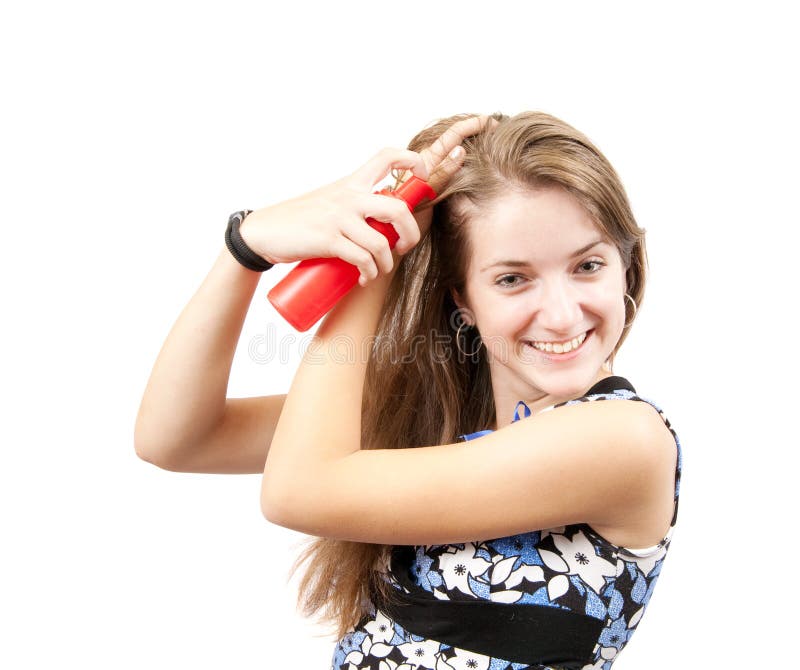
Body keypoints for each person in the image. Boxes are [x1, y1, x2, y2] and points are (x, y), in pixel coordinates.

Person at [135, 112, 682, 670]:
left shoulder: (622, 438)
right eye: (513, 278)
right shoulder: (435, 417)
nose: (564, 315)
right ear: (462, 301)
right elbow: (177, 439)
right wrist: (244, 246)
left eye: (588, 265)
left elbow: (296, 490)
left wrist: (368, 259)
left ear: (626, 267)